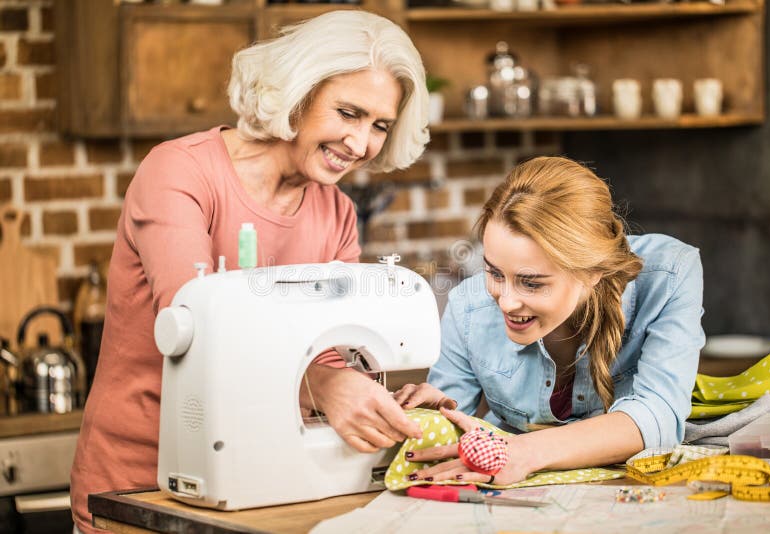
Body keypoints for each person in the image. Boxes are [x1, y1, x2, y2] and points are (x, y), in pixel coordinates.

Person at [70, 10, 429, 532]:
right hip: (139, 489)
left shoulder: (337, 214)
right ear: (298, 94)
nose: (360, 144)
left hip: (261, 486)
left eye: (379, 126)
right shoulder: (181, 173)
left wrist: (389, 396)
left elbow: (328, 354)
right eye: (348, 112)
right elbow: (195, 331)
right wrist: (323, 385)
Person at [394, 156, 705, 486]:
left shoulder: (669, 275)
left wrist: (524, 452)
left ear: (592, 271)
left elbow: (658, 415)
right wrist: (429, 418)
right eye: (494, 272)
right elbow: (456, 431)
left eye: (531, 282)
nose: (506, 301)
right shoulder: (468, 305)